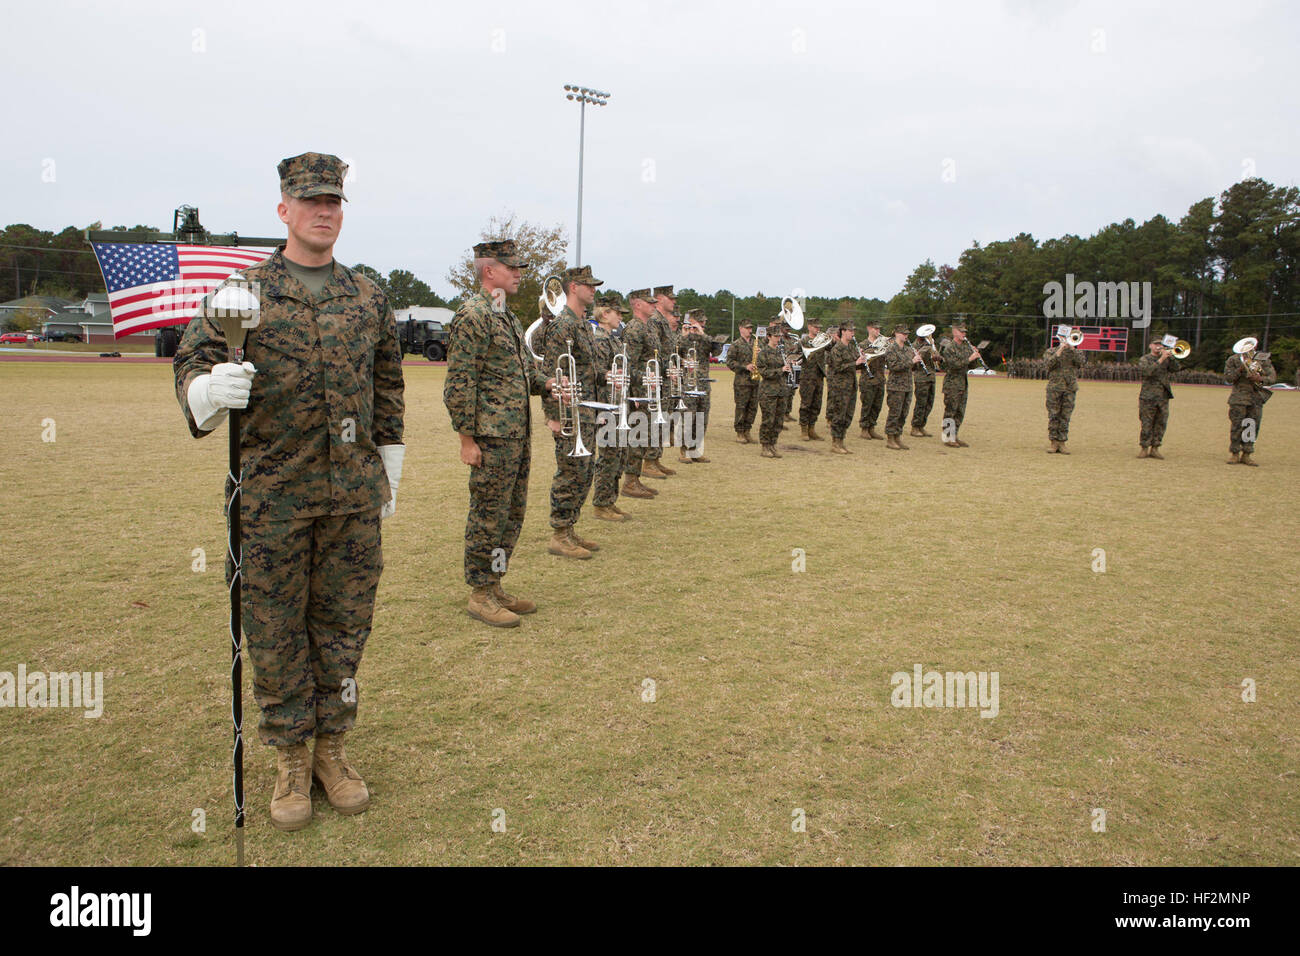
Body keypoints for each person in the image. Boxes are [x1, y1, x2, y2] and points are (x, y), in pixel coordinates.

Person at [173, 152, 405, 831]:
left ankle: (333, 749)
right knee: (274, 630)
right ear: (284, 211)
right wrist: (211, 390)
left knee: (343, 627)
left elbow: (387, 384)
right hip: (271, 498)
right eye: (309, 202)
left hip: (351, 498)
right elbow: (192, 363)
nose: (323, 211)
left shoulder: (368, 295)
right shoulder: (240, 294)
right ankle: (291, 759)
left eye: (333, 201)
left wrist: (389, 466)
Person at [444, 238, 559, 627]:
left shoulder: (505, 316)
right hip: (491, 439)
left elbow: (525, 372)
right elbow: (460, 383)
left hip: (516, 437)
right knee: (487, 516)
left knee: (511, 515)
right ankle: (479, 593)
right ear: (488, 270)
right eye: (511, 269)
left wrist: (548, 384)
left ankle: (494, 583)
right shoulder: (473, 316)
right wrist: (466, 439)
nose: (519, 275)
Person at [540, 265, 606, 557]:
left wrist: (609, 377)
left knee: (584, 472)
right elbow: (551, 371)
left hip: (586, 410)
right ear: (573, 287)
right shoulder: (562, 325)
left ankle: (569, 529)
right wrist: (553, 415)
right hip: (569, 411)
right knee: (569, 472)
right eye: (588, 285)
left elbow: (587, 369)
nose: (593, 289)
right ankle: (559, 533)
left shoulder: (582, 324)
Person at [591, 295, 634, 518]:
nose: (620, 317)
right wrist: (608, 374)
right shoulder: (599, 340)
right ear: (604, 314)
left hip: (619, 404)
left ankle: (610, 500)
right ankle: (601, 502)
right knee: (608, 456)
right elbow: (594, 373)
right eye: (617, 313)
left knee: (619, 455)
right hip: (607, 405)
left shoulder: (614, 339)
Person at [619, 289, 661, 498]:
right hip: (639, 392)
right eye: (649, 302)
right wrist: (634, 394)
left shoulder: (648, 326)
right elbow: (629, 365)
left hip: (649, 390)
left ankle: (635, 479)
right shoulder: (634, 328)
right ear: (637, 305)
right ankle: (629, 482)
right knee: (636, 436)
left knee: (644, 435)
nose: (653, 305)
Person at [643, 285, 678, 478]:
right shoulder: (654, 321)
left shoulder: (663, 321)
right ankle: (648, 461)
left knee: (662, 419)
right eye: (670, 298)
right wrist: (665, 369)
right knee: (655, 420)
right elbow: (653, 351)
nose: (674, 301)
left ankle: (655, 459)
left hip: (664, 378)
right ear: (659, 299)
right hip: (657, 377)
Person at [1224, 339, 1276, 465]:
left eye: (1251, 348)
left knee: (1252, 426)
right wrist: (1240, 369)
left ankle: (1247, 454)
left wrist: (1260, 378)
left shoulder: (1263, 360)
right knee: (1236, 426)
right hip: (1239, 398)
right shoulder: (1233, 360)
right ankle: (1235, 453)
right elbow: (1228, 378)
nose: (1248, 351)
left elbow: (1272, 377)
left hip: (1256, 398)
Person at [938, 319, 981, 448]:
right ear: (955, 332)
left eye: (964, 332)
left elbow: (971, 365)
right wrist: (969, 358)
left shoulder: (966, 347)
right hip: (952, 384)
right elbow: (954, 365)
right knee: (950, 411)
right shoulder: (949, 348)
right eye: (961, 332)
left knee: (960, 411)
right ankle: (947, 437)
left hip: (963, 383)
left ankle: (954, 435)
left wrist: (975, 355)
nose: (964, 334)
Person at [1136, 338, 1181, 459]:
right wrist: (1161, 359)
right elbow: (1147, 372)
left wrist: (1170, 357)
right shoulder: (1145, 359)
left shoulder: (1167, 359)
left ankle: (1155, 448)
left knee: (1161, 423)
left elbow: (1177, 368)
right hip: (1147, 396)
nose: (1158, 346)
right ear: (1150, 345)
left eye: (1160, 344)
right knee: (1146, 423)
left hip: (1163, 397)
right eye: (1156, 344)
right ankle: (1144, 447)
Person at [824, 321, 864, 453]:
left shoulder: (851, 347)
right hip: (839, 387)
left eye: (853, 331)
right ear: (843, 332)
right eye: (850, 331)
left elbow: (854, 365)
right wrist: (855, 363)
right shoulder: (837, 349)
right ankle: (835, 443)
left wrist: (862, 360)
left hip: (850, 386)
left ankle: (841, 441)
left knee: (848, 415)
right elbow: (838, 367)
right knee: (838, 415)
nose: (853, 333)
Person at [679, 307, 712, 462]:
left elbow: (716, 350)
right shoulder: (683, 337)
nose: (702, 325)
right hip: (688, 384)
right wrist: (685, 335)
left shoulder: (705, 339)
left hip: (703, 383)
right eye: (700, 323)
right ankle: (684, 450)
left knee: (702, 418)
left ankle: (695, 450)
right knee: (688, 417)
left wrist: (702, 334)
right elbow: (673, 353)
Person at [1044, 330, 1085, 453]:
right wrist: (1060, 350)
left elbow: (1081, 363)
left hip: (1069, 388)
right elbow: (1048, 365)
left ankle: (1062, 442)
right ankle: (1053, 442)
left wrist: (1072, 349)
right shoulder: (1050, 351)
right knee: (1053, 415)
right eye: (1063, 337)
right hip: (1054, 388)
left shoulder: (1076, 352)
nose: (1065, 339)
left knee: (1065, 416)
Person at [883, 324, 919, 450]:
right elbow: (894, 366)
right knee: (895, 413)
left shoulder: (909, 349)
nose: (906, 336)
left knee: (903, 413)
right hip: (896, 386)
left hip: (908, 385)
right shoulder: (891, 349)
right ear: (897, 334)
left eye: (907, 334)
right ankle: (890, 438)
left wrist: (918, 361)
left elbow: (913, 367)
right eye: (904, 334)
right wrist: (911, 361)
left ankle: (898, 436)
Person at [756, 323, 789, 458]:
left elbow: (784, 371)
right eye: (776, 336)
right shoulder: (763, 353)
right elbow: (763, 372)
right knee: (768, 420)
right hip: (768, 392)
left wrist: (789, 367)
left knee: (778, 420)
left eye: (779, 336)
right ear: (769, 337)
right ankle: (765, 446)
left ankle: (773, 444)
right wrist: (780, 370)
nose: (778, 339)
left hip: (781, 390)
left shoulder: (781, 352)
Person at [727, 318, 759, 443]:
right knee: (741, 407)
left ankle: (747, 431)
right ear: (740, 329)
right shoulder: (735, 344)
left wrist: (759, 355)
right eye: (747, 328)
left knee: (753, 407)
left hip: (755, 381)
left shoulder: (755, 343)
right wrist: (745, 366)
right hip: (742, 382)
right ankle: (740, 432)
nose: (749, 330)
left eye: (751, 328)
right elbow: (729, 362)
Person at [797, 317, 827, 441]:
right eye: (815, 327)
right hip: (807, 377)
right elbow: (796, 354)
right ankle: (804, 429)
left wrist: (834, 339)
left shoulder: (822, 341)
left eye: (819, 327)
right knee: (806, 404)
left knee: (816, 404)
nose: (818, 329)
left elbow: (832, 348)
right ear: (809, 327)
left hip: (819, 377)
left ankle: (812, 428)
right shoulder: (803, 341)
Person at [857, 320, 887, 440]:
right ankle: (864, 428)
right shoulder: (862, 345)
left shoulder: (883, 343)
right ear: (869, 329)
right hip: (867, 380)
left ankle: (871, 428)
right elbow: (857, 364)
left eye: (879, 329)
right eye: (875, 329)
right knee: (867, 405)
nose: (878, 331)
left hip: (880, 379)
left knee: (877, 406)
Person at [910, 334, 938, 438]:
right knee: (921, 404)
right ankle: (915, 427)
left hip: (931, 377)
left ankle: (922, 425)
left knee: (929, 404)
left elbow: (937, 357)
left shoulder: (931, 344)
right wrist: (923, 351)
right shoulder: (914, 345)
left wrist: (937, 357)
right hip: (921, 378)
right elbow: (912, 364)